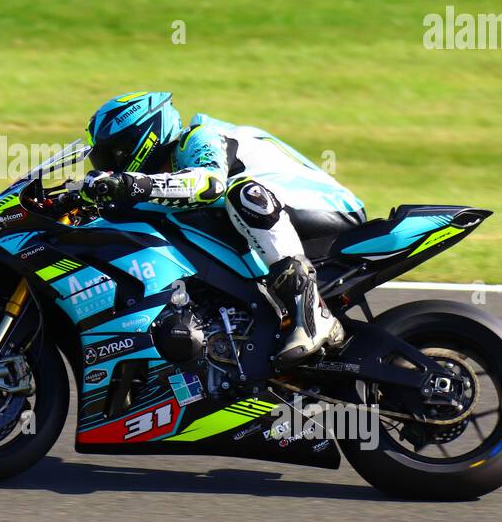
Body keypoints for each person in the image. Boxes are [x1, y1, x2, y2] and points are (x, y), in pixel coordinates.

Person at [78, 91, 364, 366]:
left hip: (325, 208)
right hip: (280, 219)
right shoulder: (167, 174)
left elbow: (209, 185)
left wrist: (130, 184)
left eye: (111, 155)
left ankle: (313, 315)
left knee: (243, 193)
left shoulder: (198, 136)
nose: (110, 167)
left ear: (143, 139)